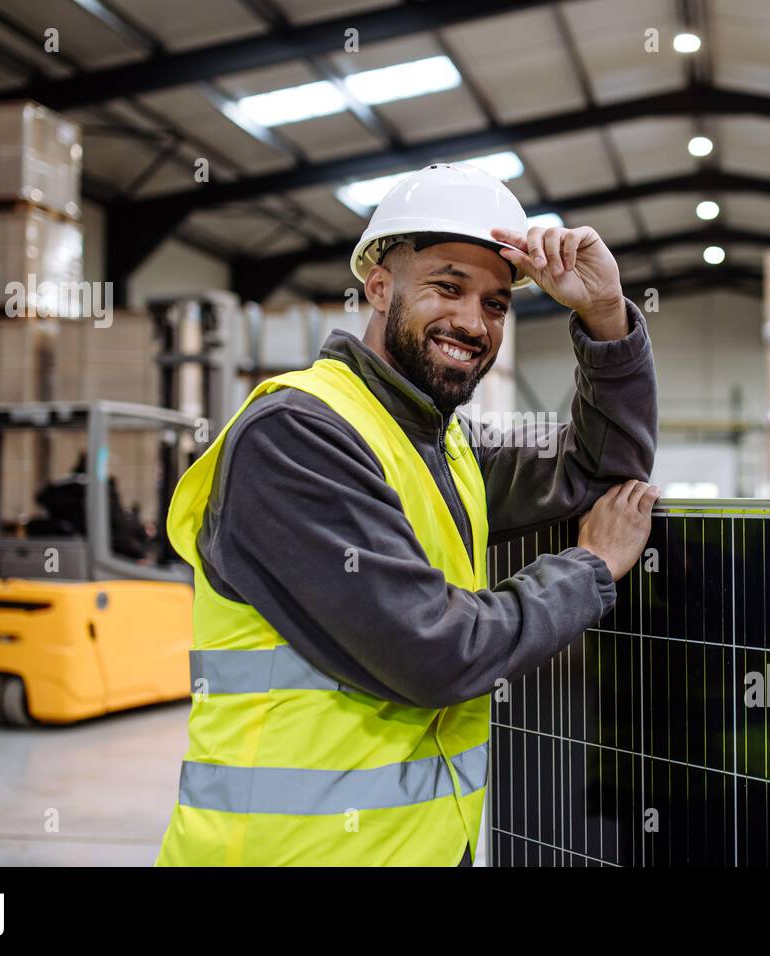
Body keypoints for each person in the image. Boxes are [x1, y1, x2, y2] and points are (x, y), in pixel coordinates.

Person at [156, 162, 659, 866]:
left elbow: (601, 472)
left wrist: (604, 318)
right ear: (379, 285)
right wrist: (589, 569)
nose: (472, 322)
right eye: (447, 287)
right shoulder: (296, 436)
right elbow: (433, 651)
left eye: (495, 303)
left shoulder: (443, 445)